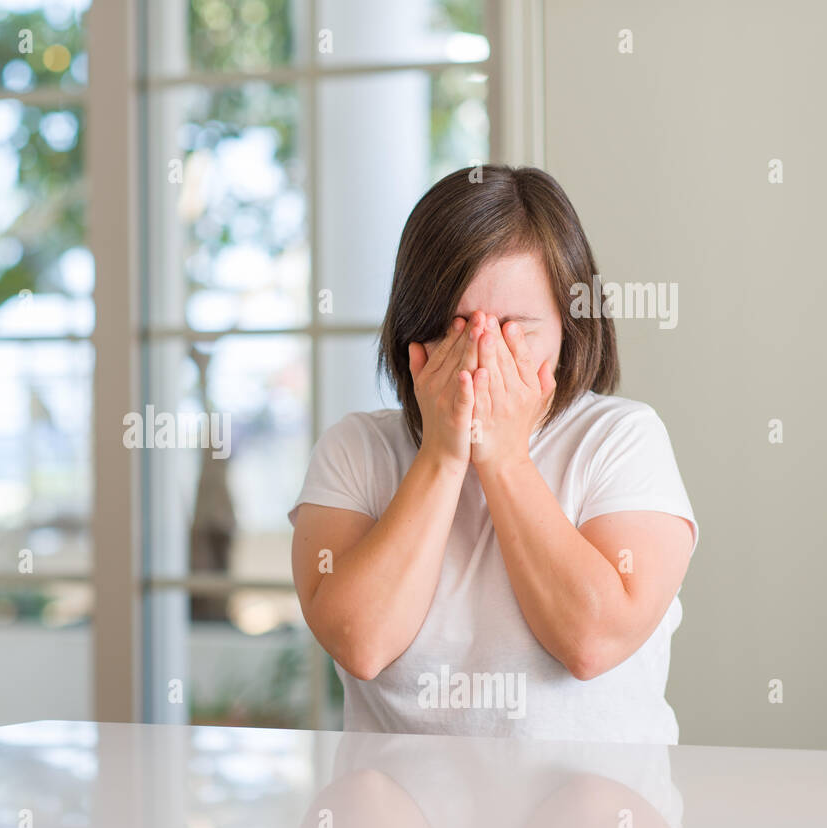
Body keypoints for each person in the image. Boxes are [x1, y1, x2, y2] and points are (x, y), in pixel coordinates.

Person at [289, 165, 697, 744]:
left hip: (593, 813)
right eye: (456, 328)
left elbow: (591, 642)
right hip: (403, 814)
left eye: (513, 329)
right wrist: (442, 456)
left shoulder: (623, 439)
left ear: (568, 328)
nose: (482, 356)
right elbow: (362, 642)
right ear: (412, 327)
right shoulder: (354, 450)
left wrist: (504, 459)